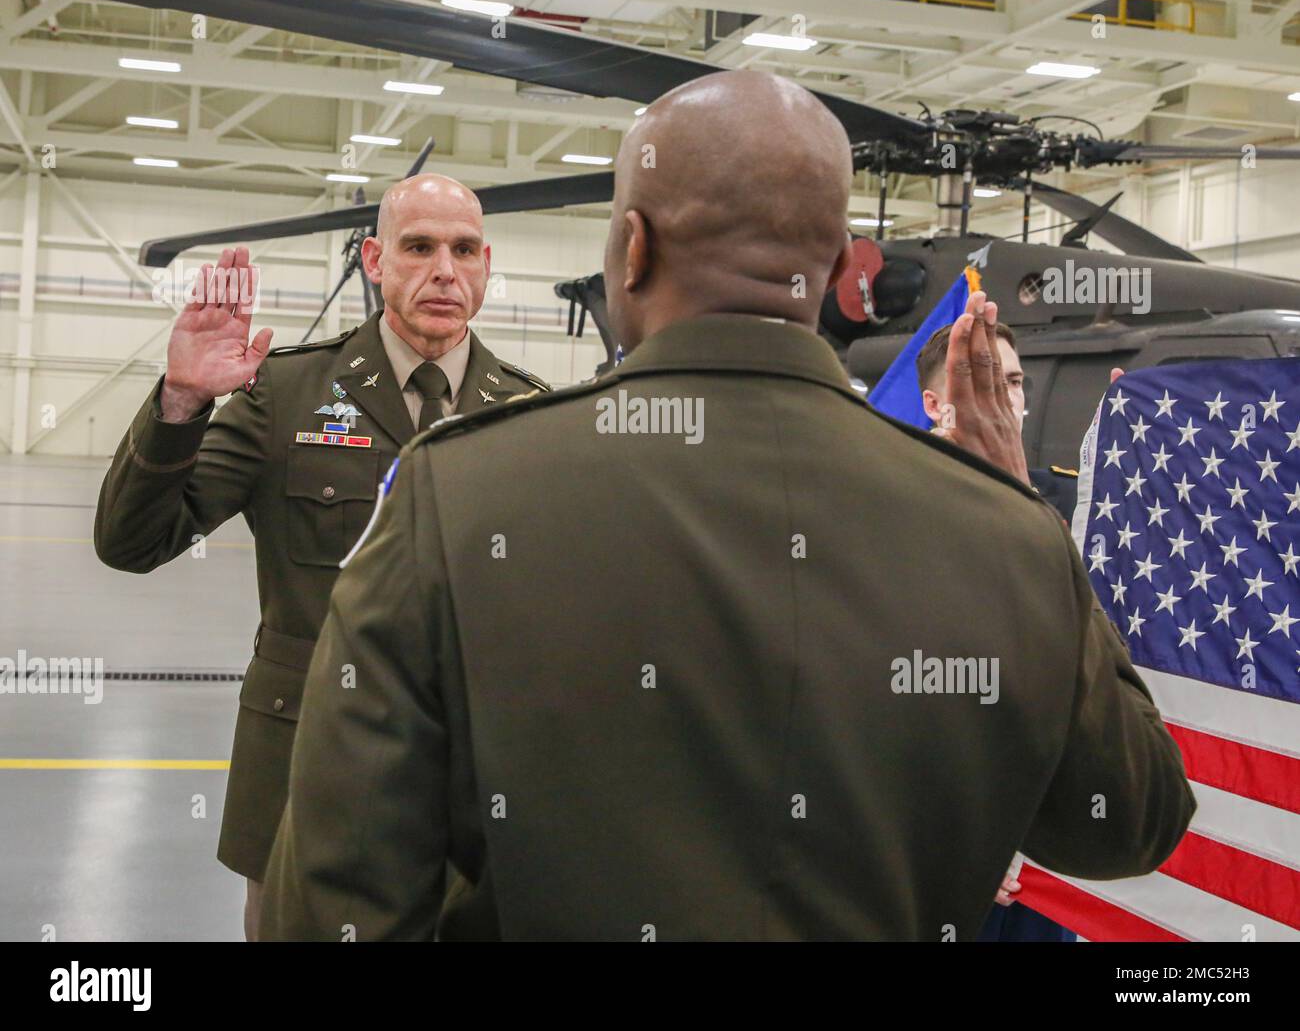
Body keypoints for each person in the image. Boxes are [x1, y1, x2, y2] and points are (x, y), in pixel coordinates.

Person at [260, 69, 1194, 941]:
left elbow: (334, 911)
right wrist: (1032, 527)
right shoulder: (1001, 533)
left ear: (634, 248)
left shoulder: (453, 496)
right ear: (837, 268)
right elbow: (1132, 821)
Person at [93, 174, 548, 940]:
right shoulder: (290, 393)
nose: (444, 269)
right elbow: (131, 540)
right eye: (419, 246)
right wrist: (182, 399)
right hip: (303, 780)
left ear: (485, 263)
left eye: (464, 249)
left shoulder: (530, 415)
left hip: (471, 795)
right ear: (374, 259)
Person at [916, 319, 1079, 522]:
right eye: (981, 383)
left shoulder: (1075, 499)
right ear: (934, 405)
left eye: (1014, 382)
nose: (1006, 399)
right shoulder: (909, 502)